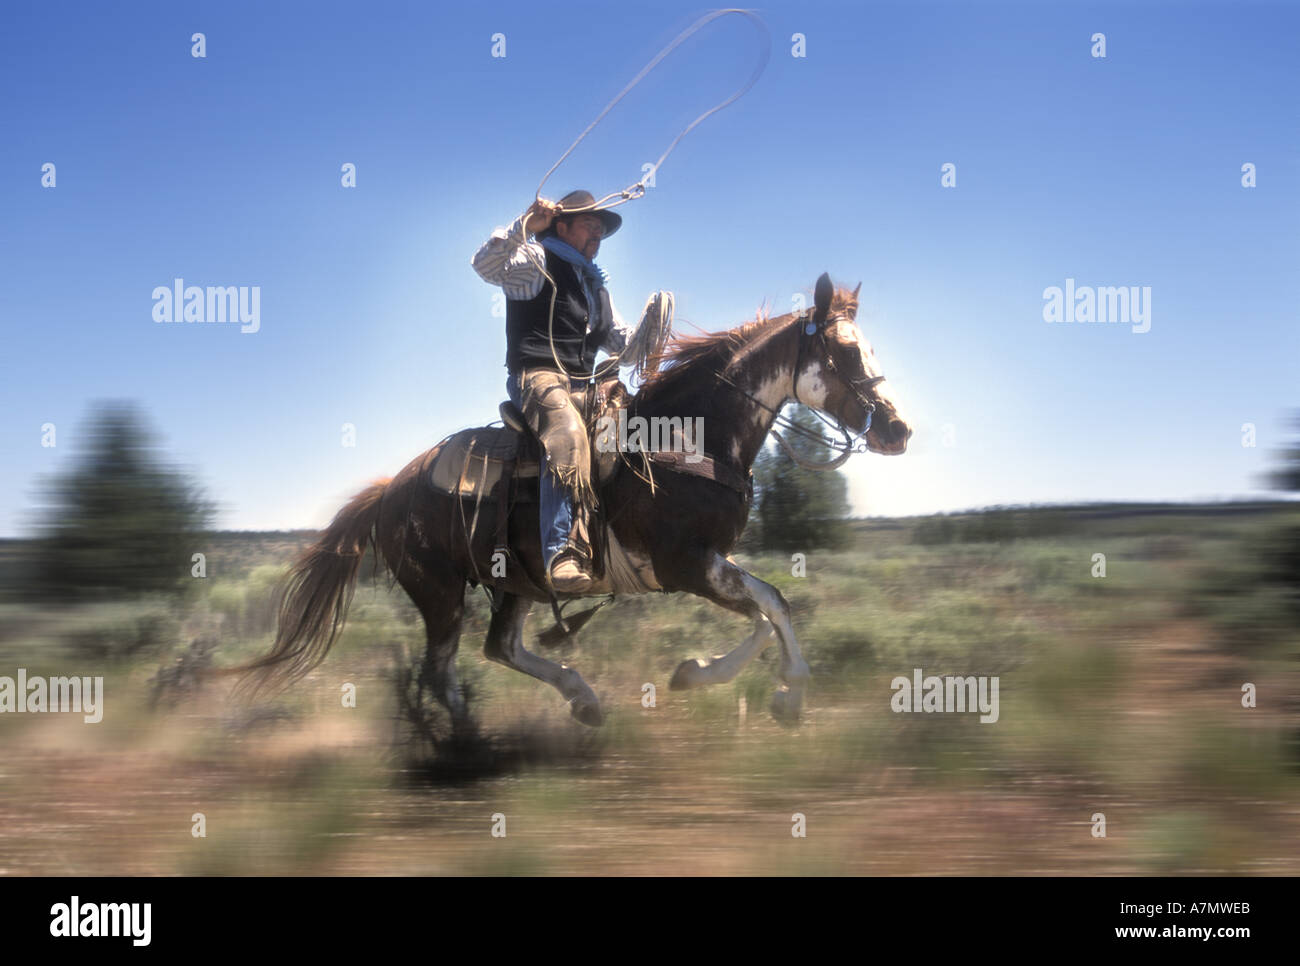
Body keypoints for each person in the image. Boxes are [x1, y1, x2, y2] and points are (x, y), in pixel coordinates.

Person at [471, 189, 633, 594]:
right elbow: (485, 264)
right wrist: (525, 226)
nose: (596, 234)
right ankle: (561, 551)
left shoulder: (595, 284)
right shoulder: (537, 260)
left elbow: (621, 345)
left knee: (638, 431)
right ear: (561, 226)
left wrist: (655, 330)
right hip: (537, 378)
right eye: (588, 226)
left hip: (583, 383)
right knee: (569, 433)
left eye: (600, 229)